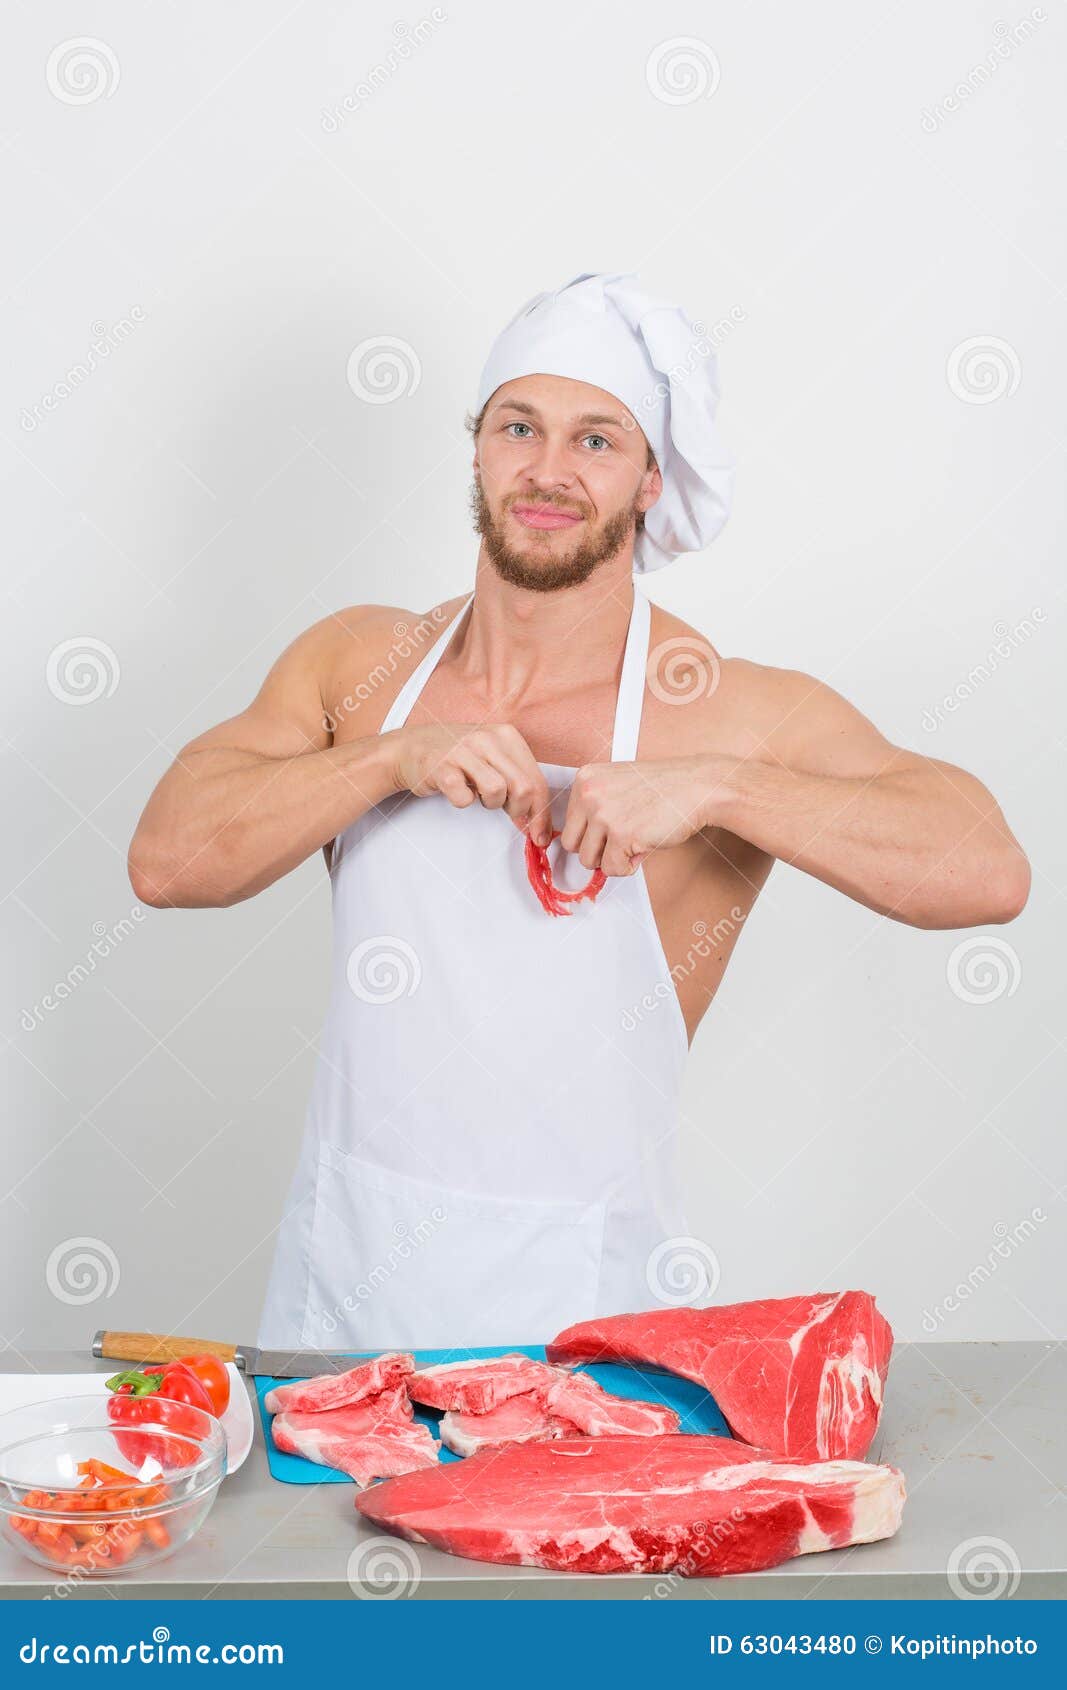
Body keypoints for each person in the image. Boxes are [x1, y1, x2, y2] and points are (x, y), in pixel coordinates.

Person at [127, 273, 1029, 1353]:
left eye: (596, 441)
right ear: (476, 448)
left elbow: (985, 869)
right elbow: (168, 860)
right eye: (519, 426)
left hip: (590, 1332)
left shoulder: (729, 707)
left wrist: (712, 786)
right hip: (343, 1302)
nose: (548, 471)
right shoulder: (363, 666)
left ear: (650, 479)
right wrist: (386, 759)